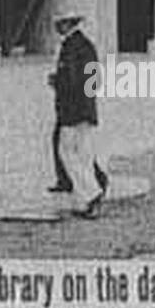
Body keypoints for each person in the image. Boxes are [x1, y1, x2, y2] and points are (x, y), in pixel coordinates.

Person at [48, 12, 104, 218]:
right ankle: (84, 201)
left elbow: (70, 81)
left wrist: (57, 82)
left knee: (66, 153)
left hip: (71, 110)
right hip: (87, 108)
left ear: (67, 24)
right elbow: (95, 81)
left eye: (59, 24)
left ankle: (92, 193)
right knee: (84, 155)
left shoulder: (69, 47)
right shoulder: (88, 45)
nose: (56, 28)